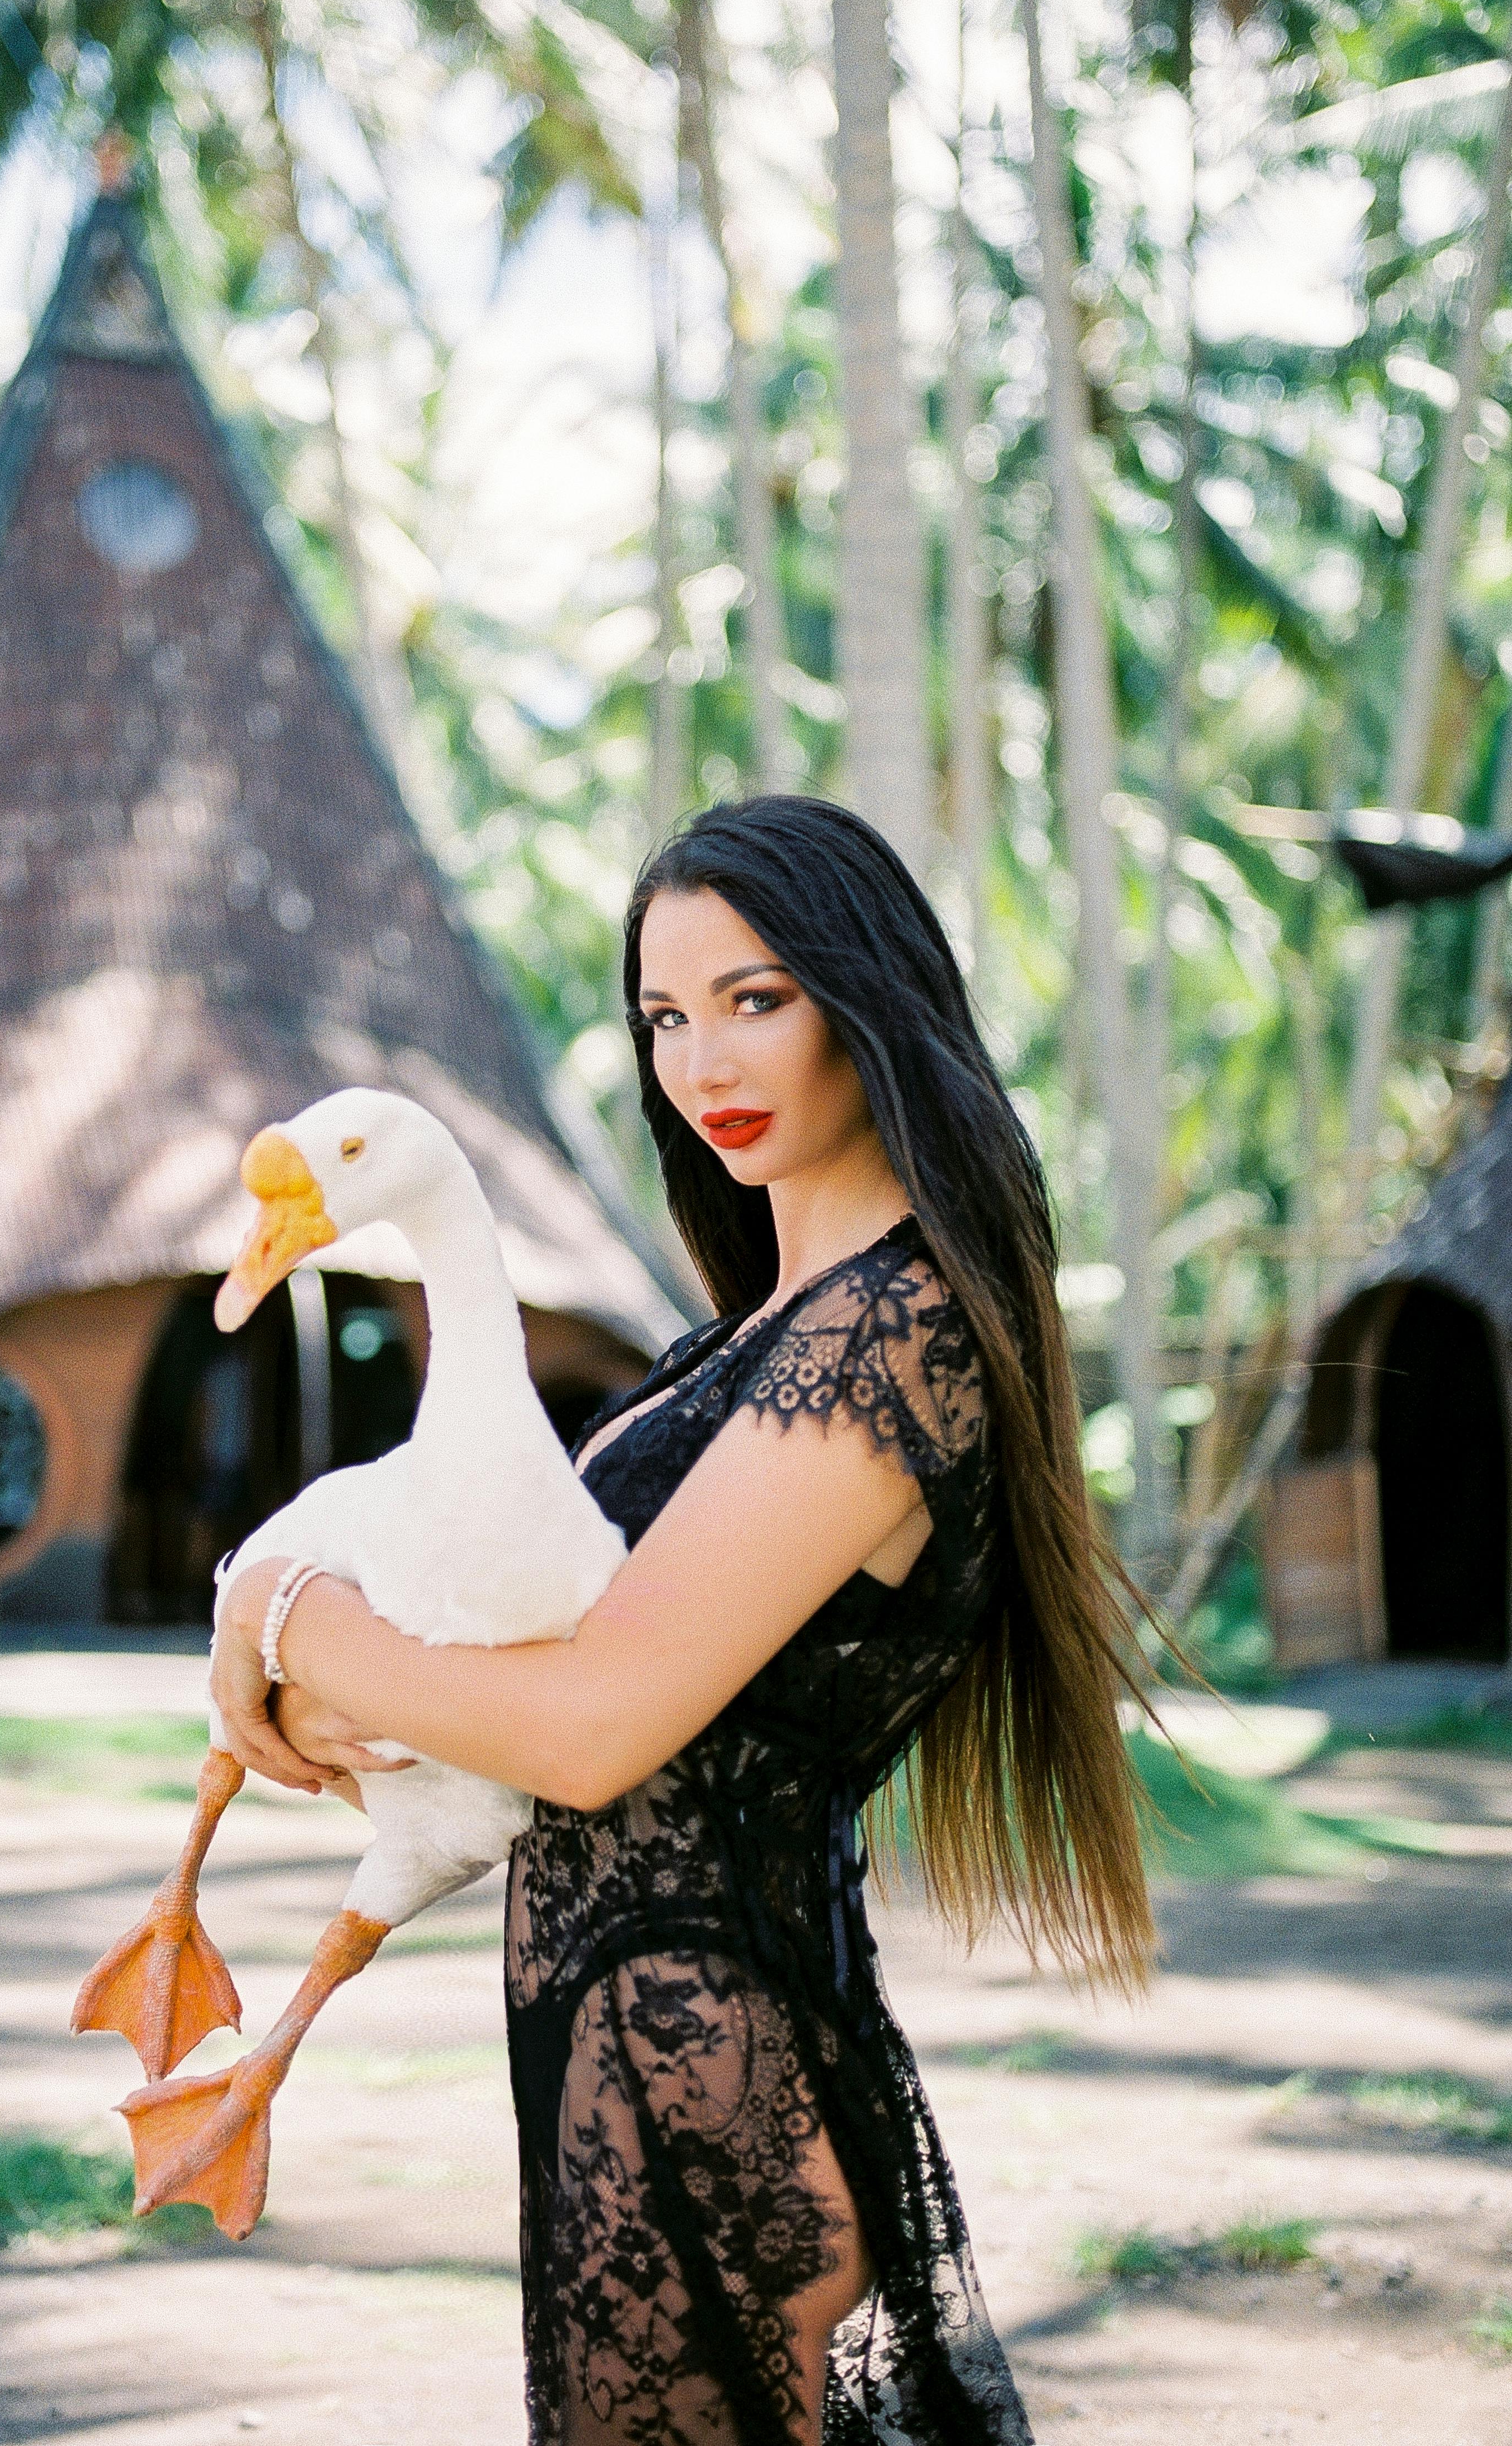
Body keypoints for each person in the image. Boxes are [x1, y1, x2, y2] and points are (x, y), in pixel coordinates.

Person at [209, 794, 1156, 2445]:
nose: (702, 1061)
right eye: (663, 1016)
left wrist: (283, 1611)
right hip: (645, 2060)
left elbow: (590, 1727)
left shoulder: (889, 1337)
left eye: (755, 1000)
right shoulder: (760, 1335)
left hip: (709, 2092)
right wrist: (294, 1658)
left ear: (868, 1003)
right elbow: (520, 1668)